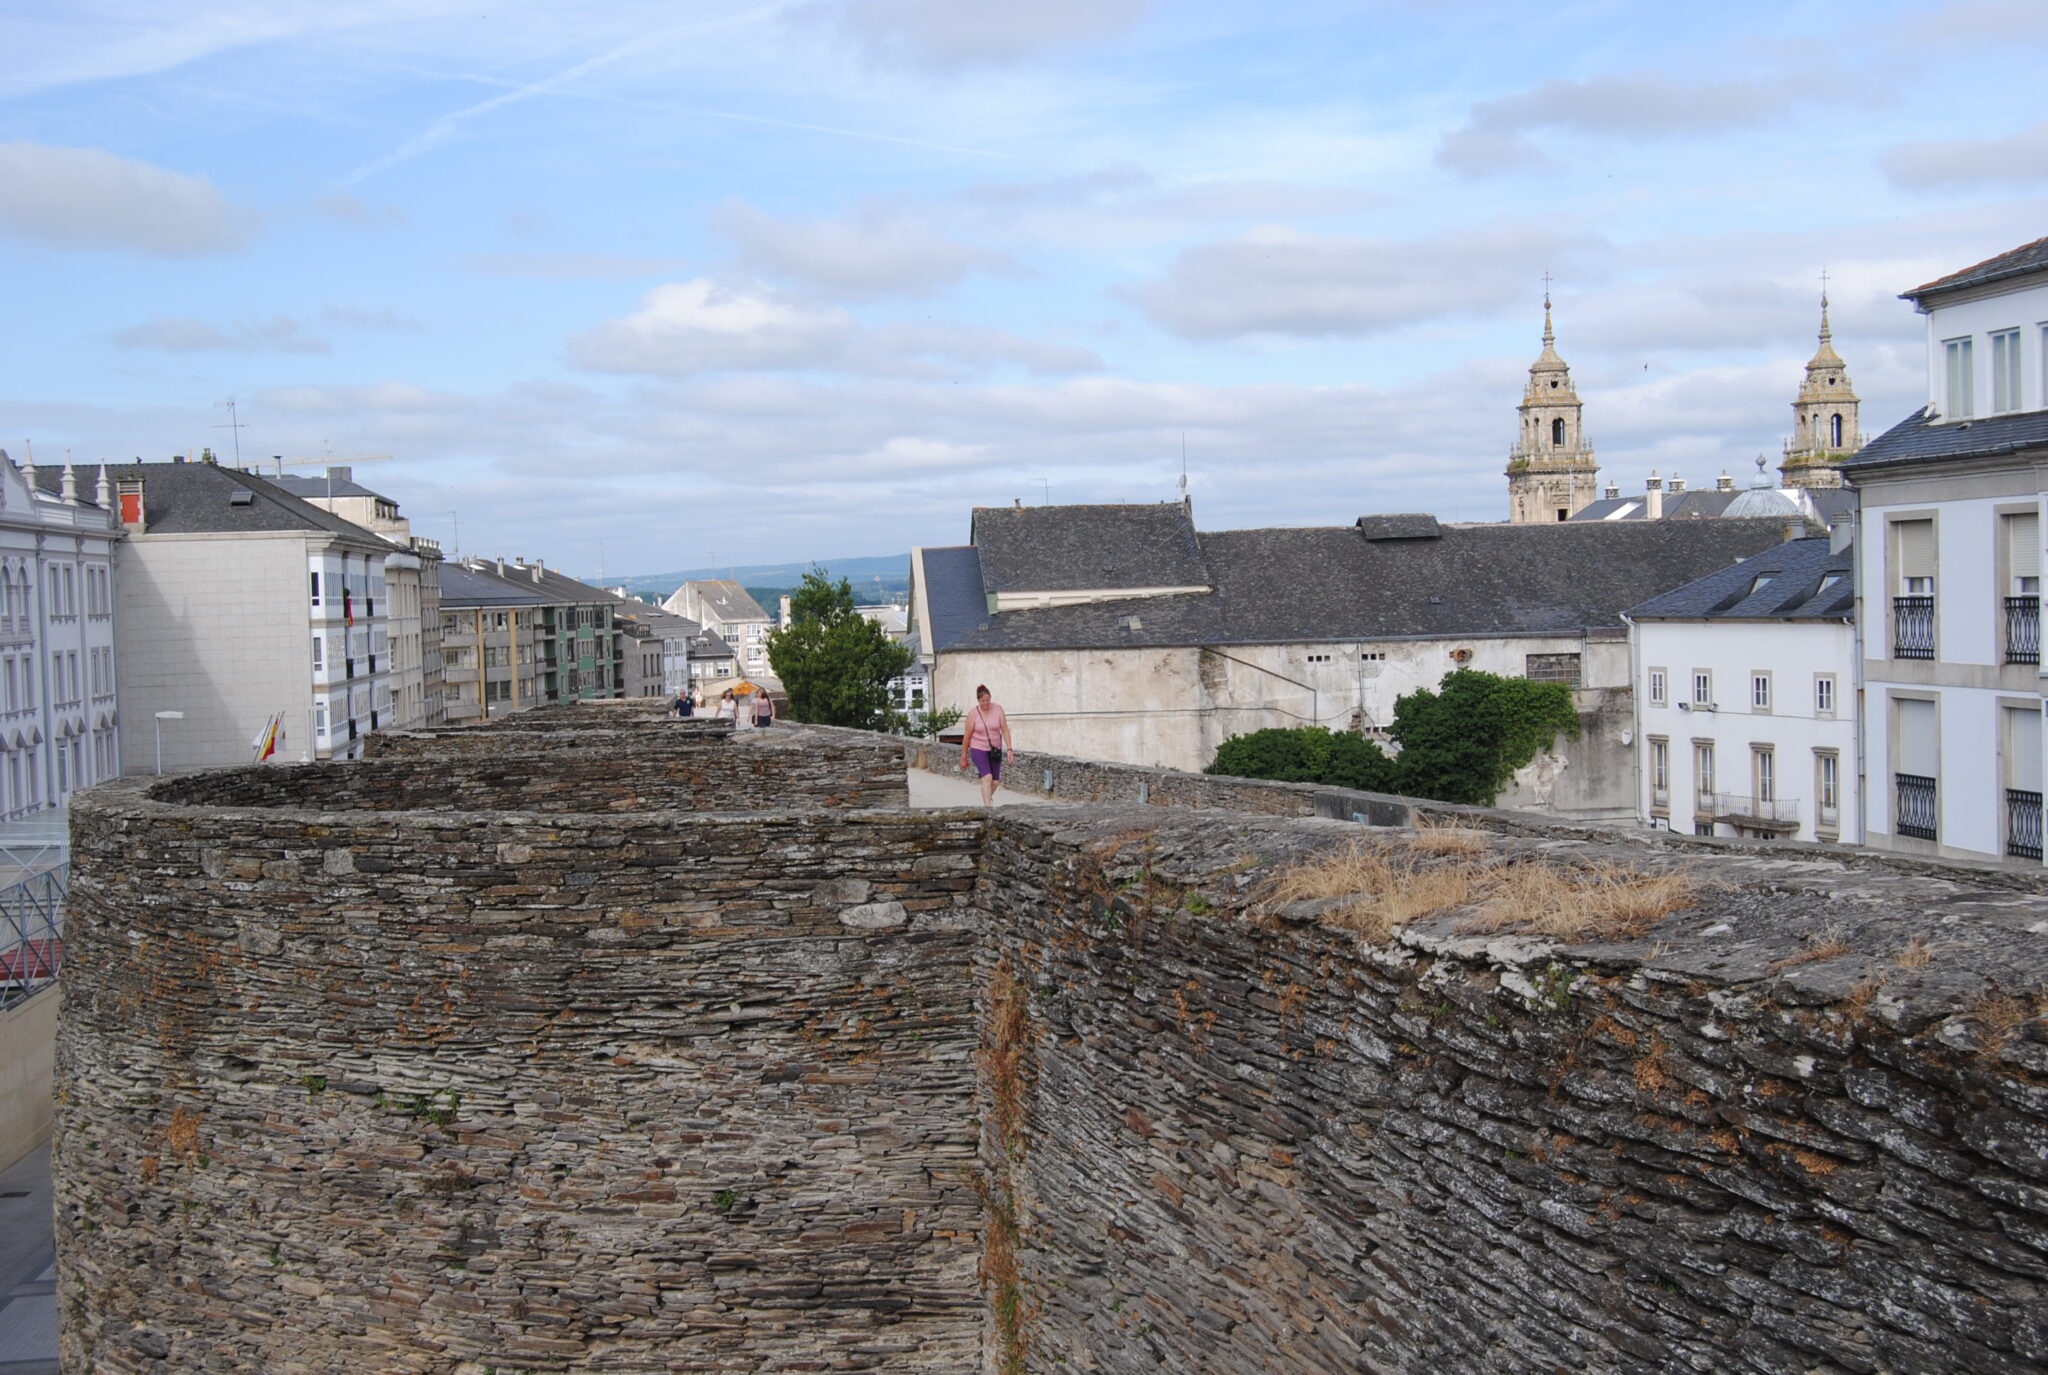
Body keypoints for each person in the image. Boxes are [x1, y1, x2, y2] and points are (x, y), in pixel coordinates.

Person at [958, 683, 1014, 807]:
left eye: (988, 700)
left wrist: (1009, 749)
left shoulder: (998, 709)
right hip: (978, 748)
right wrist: (964, 756)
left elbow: (1004, 729)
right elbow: (967, 736)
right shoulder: (973, 714)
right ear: (978, 700)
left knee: (995, 782)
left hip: (995, 750)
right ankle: (988, 807)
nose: (986, 703)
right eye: (983, 701)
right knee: (987, 777)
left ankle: (987, 799)